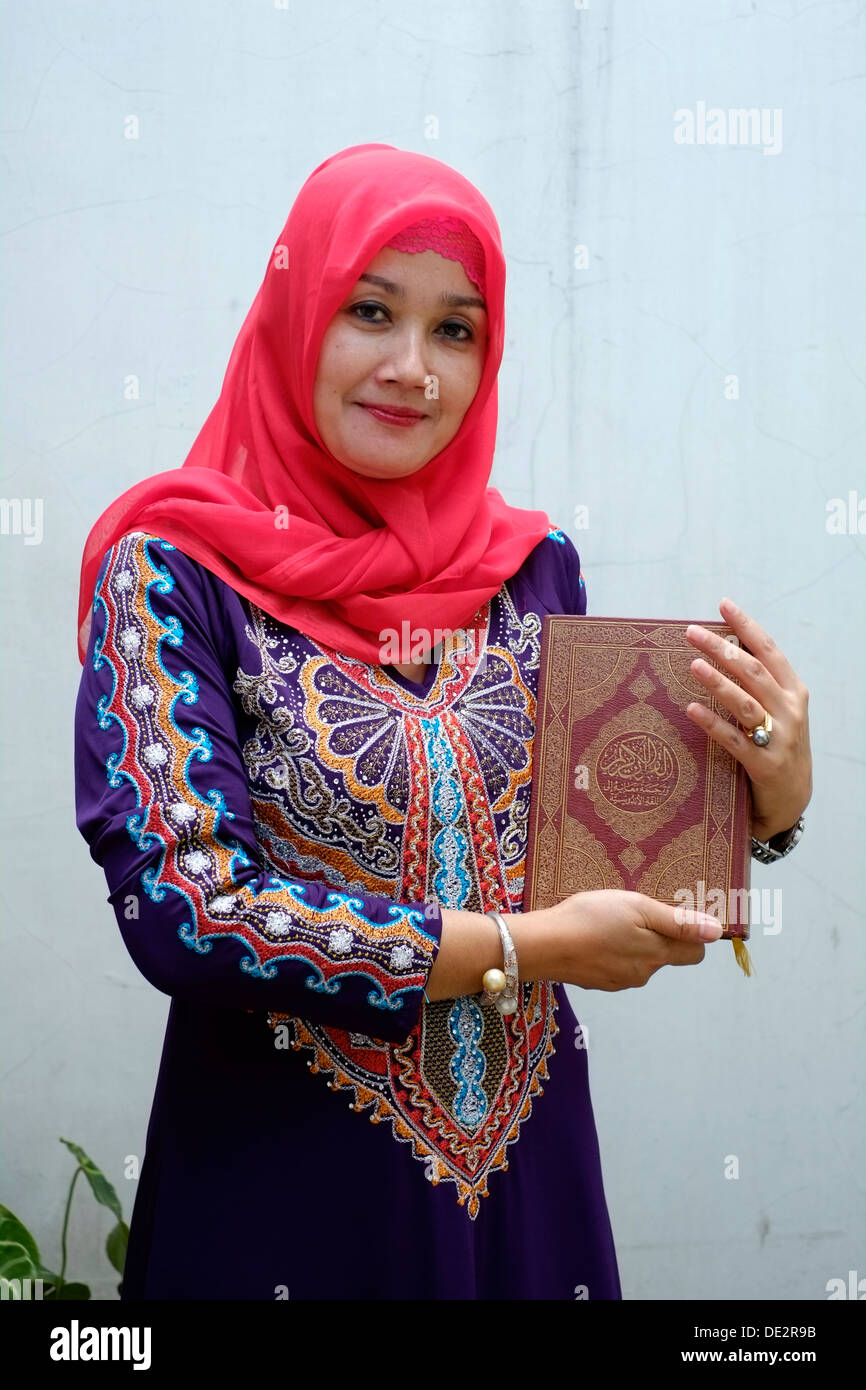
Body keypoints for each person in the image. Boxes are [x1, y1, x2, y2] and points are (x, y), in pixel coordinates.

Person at [73, 143, 812, 1300]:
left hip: (525, 1177)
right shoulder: (173, 575)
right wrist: (526, 949)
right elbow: (187, 913)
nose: (412, 367)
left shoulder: (528, 571)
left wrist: (767, 804)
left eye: (456, 329)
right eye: (370, 311)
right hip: (287, 1197)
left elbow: (610, 848)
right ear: (295, 314)